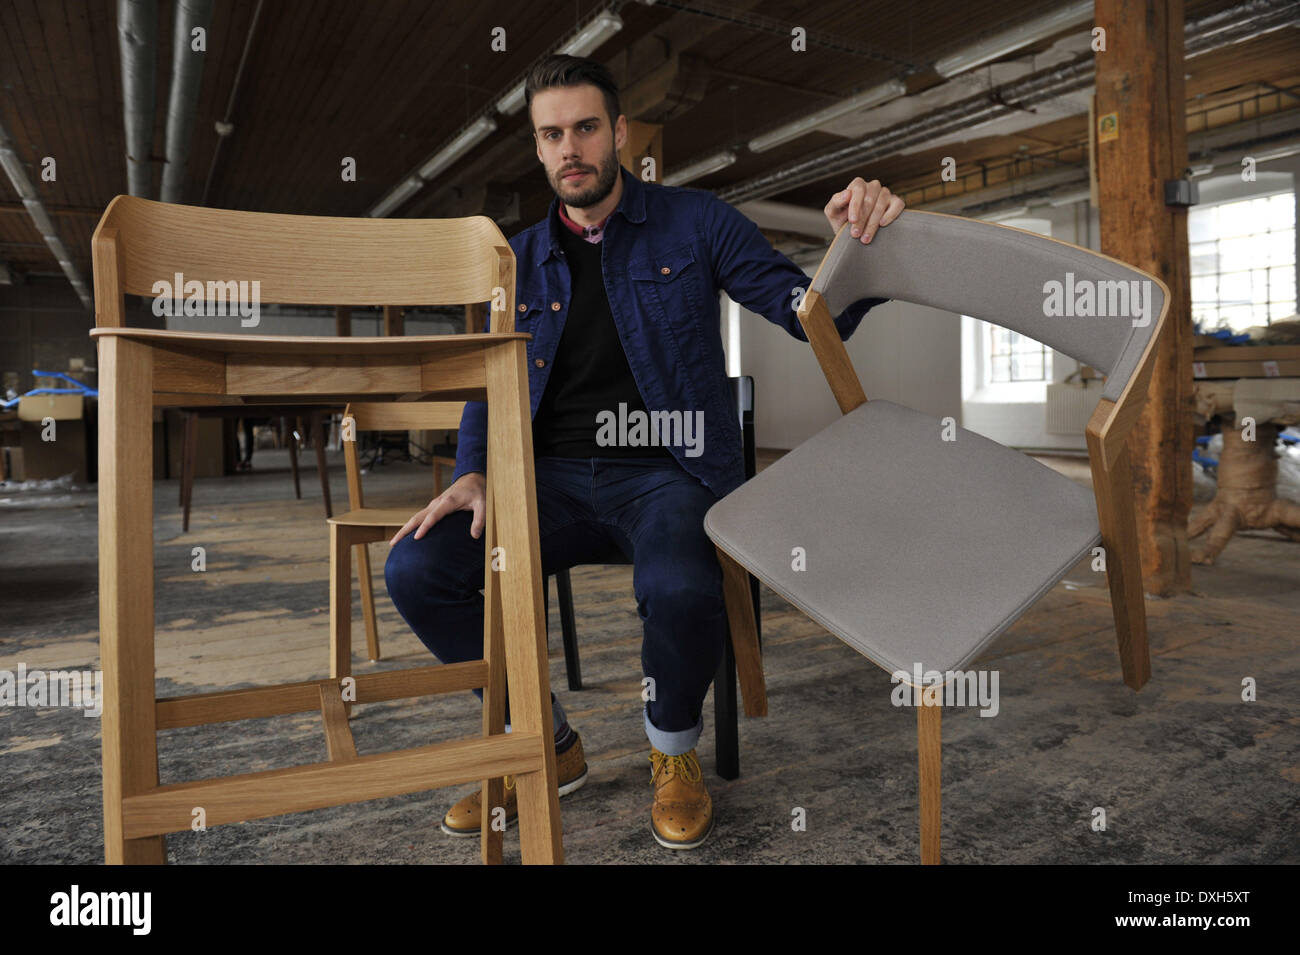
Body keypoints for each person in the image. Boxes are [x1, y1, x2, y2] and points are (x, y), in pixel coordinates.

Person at [384, 53, 904, 850]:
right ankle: (546, 745)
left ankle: (672, 751)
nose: (571, 149)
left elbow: (808, 314)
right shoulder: (512, 261)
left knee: (681, 583)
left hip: (667, 471)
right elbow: (485, 385)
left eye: (586, 128)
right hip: (545, 481)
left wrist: (852, 249)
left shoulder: (699, 223)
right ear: (537, 147)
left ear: (619, 132)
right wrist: (471, 473)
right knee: (420, 568)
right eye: (552, 134)